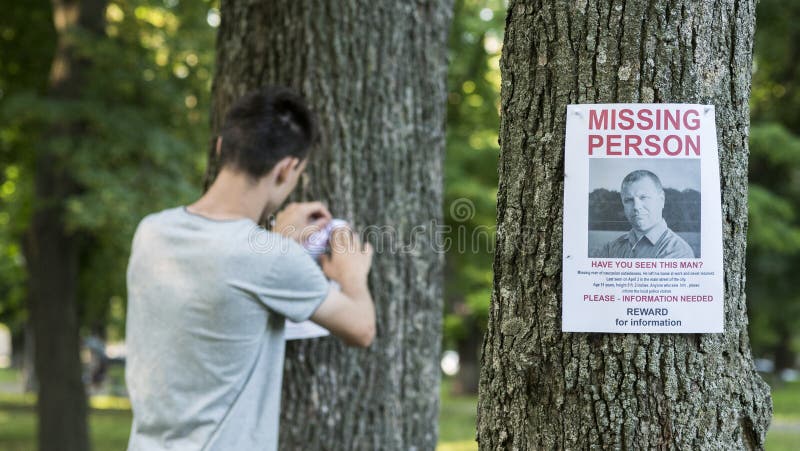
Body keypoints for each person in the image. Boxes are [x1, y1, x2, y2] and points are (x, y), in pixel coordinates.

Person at [124, 86, 375, 451]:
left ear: (221, 147)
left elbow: (226, 276)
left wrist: (274, 240)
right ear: (287, 169)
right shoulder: (268, 259)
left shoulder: (151, 232)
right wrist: (351, 274)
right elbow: (361, 329)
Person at [595, 169, 695, 258]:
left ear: (661, 200)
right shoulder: (611, 248)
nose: (636, 207)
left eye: (643, 197)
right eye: (629, 200)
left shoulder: (678, 252)